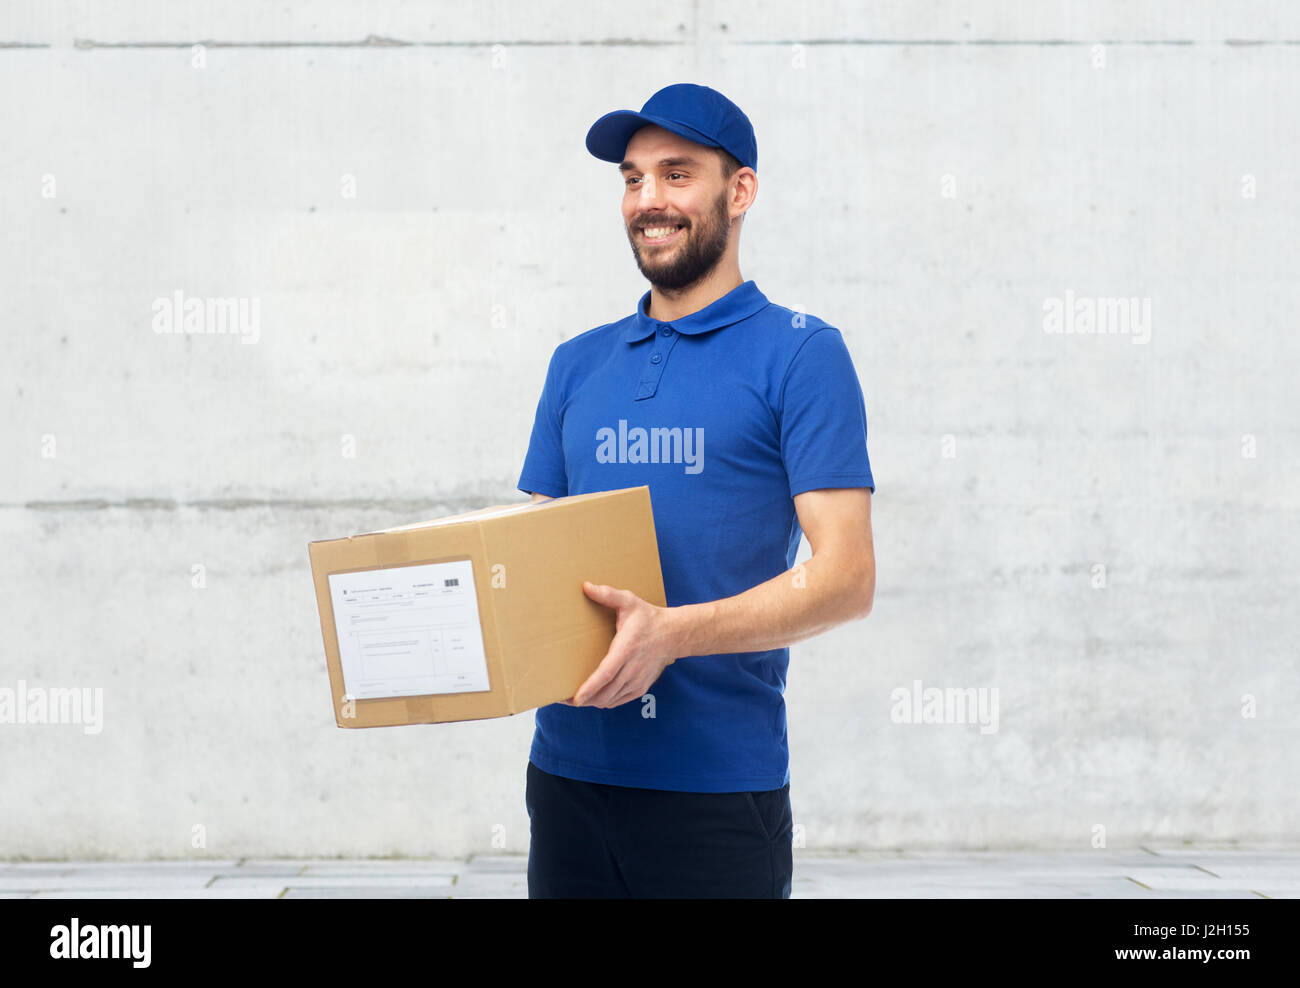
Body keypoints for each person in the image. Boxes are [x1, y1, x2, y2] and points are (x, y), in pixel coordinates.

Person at [516, 82, 876, 898]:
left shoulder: (801, 354)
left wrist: (670, 634)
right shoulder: (577, 361)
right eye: (633, 178)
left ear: (739, 190)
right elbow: (531, 561)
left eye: (677, 175)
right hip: (565, 777)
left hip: (714, 790)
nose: (649, 200)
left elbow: (848, 578)